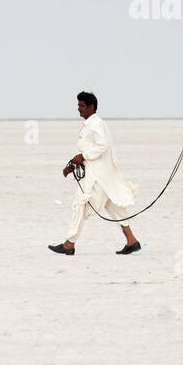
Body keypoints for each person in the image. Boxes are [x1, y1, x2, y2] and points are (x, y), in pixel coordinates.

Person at [49, 92, 142, 256]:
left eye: (82, 106)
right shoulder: (90, 124)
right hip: (101, 177)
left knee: (80, 205)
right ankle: (131, 241)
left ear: (91, 107)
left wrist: (83, 156)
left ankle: (69, 244)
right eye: (78, 105)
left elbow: (103, 145)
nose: (78, 109)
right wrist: (72, 165)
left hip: (97, 178)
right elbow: (89, 149)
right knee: (115, 208)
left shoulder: (95, 124)